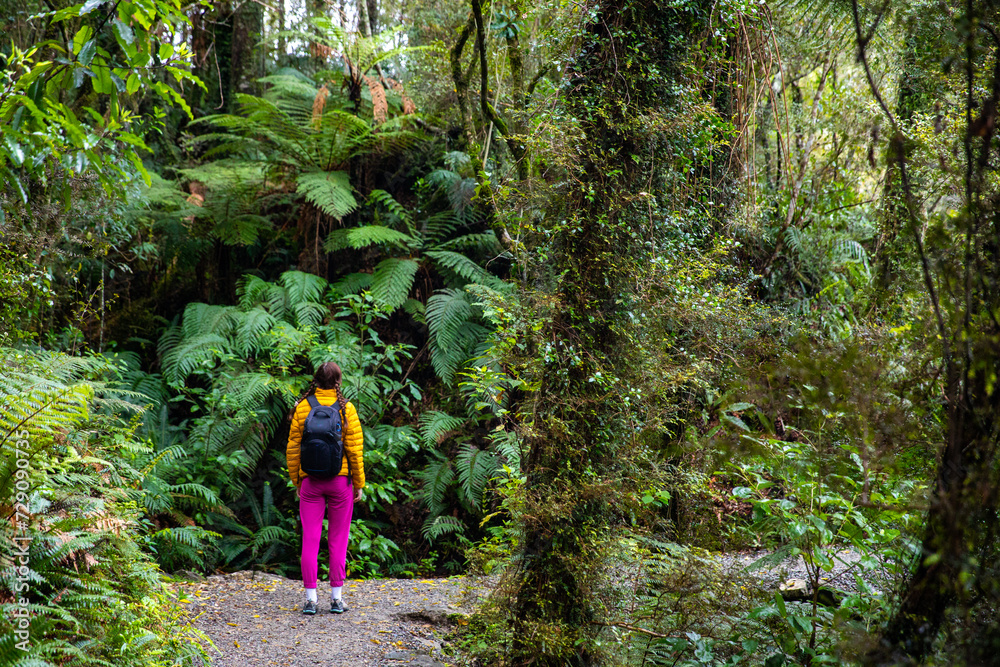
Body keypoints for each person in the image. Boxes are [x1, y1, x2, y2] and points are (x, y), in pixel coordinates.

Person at [286, 361, 365, 615]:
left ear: (316, 381)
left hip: (310, 482)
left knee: (310, 539)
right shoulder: (346, 408)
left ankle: (310, 600)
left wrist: (297, 480)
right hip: (340, 482)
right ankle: (336, 599)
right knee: (338, 539)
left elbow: (293, 448)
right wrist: (359, 484)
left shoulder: (302, 407)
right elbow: (354, 450)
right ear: (338, 381)